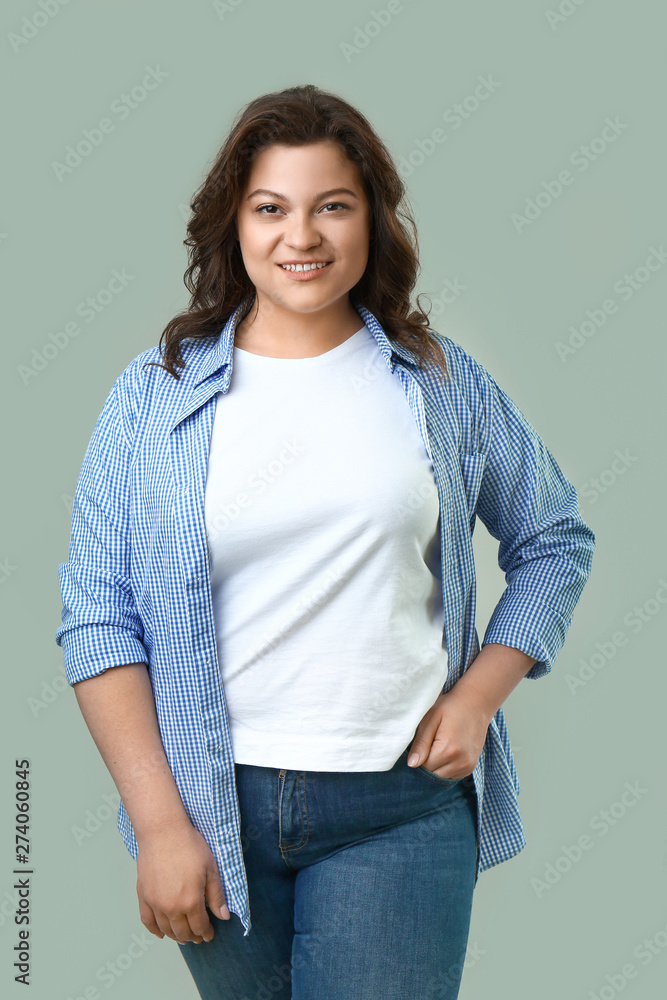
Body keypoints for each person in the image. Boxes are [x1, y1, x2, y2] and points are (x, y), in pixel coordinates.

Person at [55, 83, 596, 1000]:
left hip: (399, 809)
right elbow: (97, 620)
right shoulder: (153, 396)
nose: (299, 237)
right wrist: (159, 827)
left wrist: (476, 698)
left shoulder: (438, 382)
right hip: (211, 808)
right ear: (233, 223)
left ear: (372, 222)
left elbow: (555, 537)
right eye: (271, 208)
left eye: (331, 207)